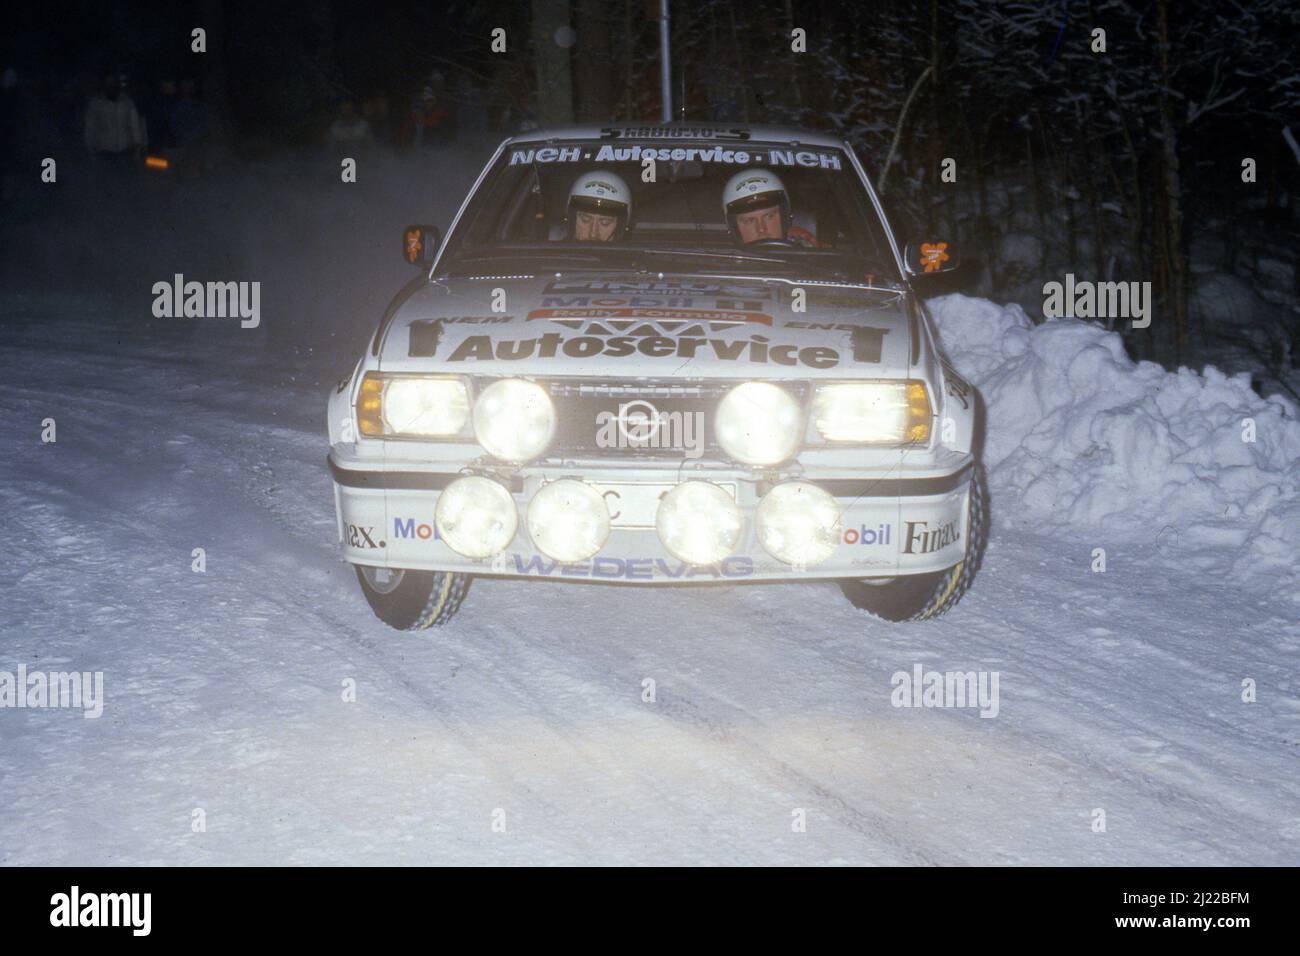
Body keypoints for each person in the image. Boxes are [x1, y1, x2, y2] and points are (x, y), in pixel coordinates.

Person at [721, 167, 822, 246]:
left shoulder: (813, 253)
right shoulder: (719, 264)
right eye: (749, 221)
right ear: (734, 228)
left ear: (785, 217)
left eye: (769, 216)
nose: (761, 229)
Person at [84, 73, 146, 168]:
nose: (111, 86)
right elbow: (90, 127)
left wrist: (137, 145)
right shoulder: (96, 104)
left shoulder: (127, 103)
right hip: (104, 152)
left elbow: (135, 126)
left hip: (125, 151)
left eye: (113, 83)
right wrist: (90, 147)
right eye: (108, 84)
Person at [563, 170, 632, 242]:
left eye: (605, 223)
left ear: (620, 226)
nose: (593, 234)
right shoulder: (555, 248)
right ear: (572, 219)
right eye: (585, 219)